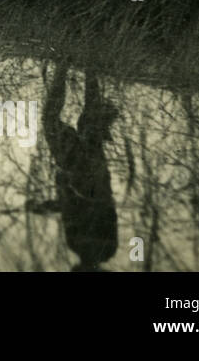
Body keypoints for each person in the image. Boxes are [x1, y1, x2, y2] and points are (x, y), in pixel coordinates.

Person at [43, 62, 119, 271]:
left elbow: (104, 207)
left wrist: (52, 204)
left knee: (85, 122)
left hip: (92, 172)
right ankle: (66, 65)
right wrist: (56, 199)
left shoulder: (106, 249)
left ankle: (86, 67)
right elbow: (77, 206)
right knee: (56, 121)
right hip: (78, 171)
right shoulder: (80, 245)